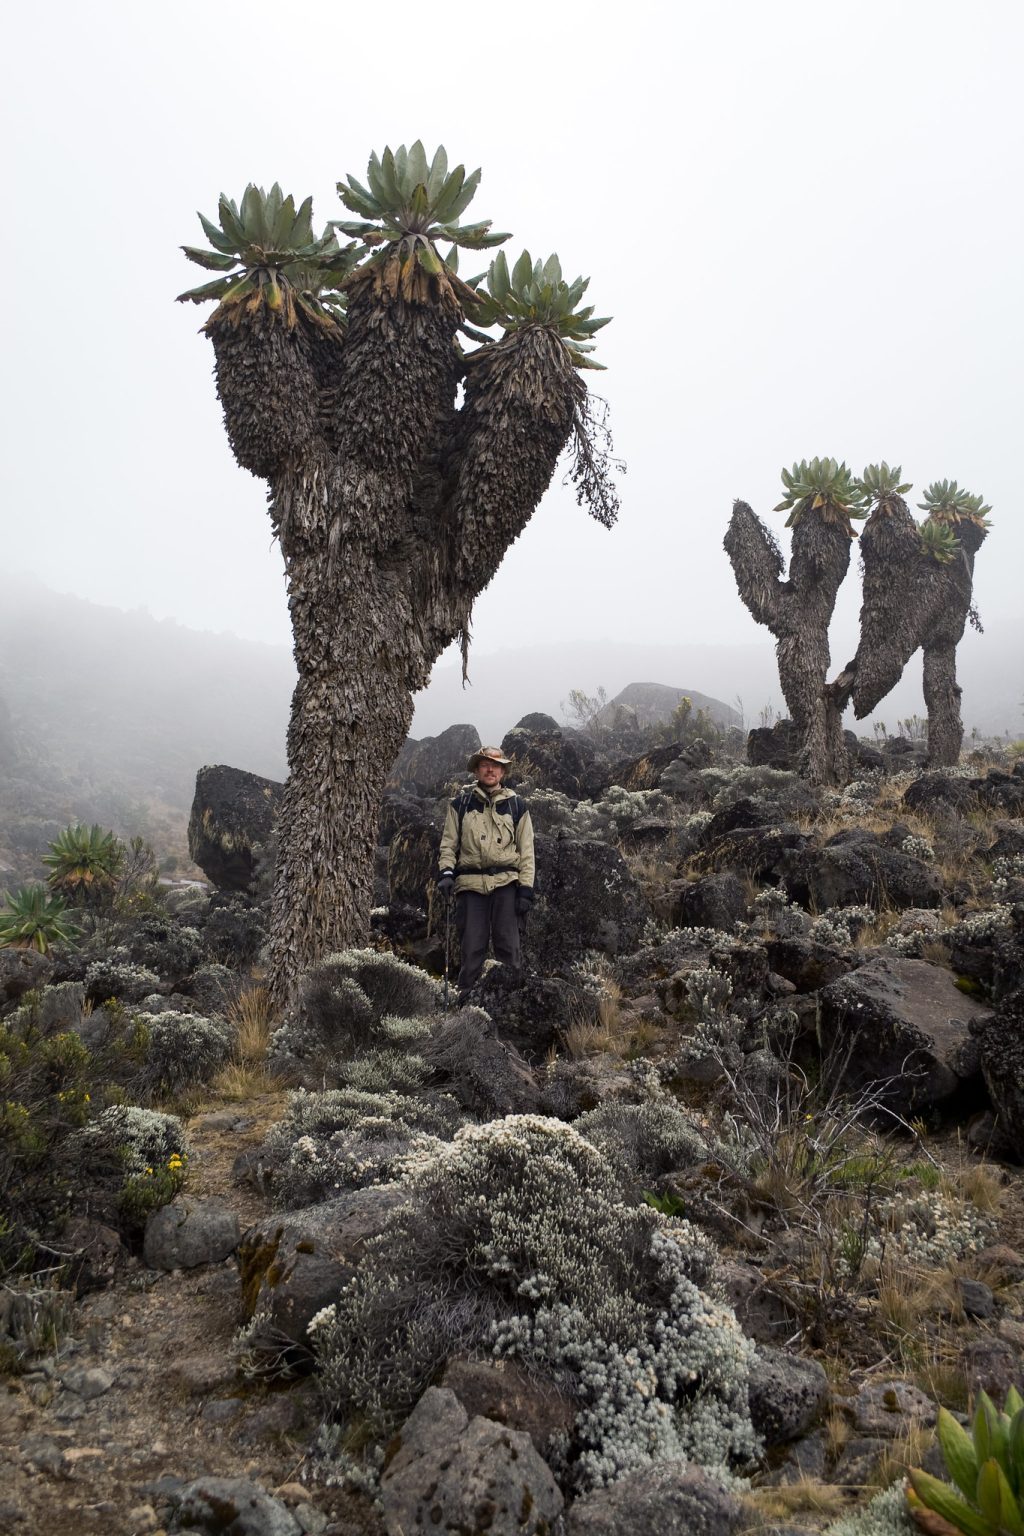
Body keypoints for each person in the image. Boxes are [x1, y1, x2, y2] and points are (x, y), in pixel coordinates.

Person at [436, 746, 535, 994]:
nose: (490, 769)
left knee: (508, 949)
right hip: (470, 887)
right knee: (471, 950)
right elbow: (448, 845)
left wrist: (525, 889)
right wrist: (446, 873)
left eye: (496, 765)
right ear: (477, 770)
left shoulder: (517, 806)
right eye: (484, 765)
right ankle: (465, 1010)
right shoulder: (459, 805)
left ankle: (511, 1007)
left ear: (502, 771)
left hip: (507, 886)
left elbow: (527, 852)